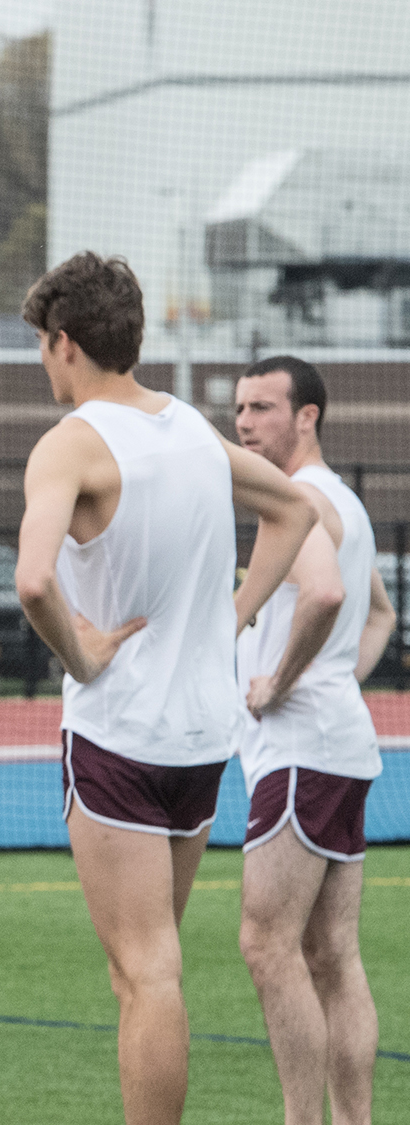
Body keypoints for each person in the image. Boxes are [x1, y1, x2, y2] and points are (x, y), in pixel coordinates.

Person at [14, 252, 315, 1125]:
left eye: (41, 343)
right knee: (154, 966)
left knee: (146, 973)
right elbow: (295, 510)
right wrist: (235, 615)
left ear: (65, 342)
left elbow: (34, 581)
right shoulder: (190, 427)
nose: (43, 359)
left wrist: (82, 653)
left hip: (117, 735)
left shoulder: (70, 442)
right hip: (201, 740)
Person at [231, 356, 391, 1125]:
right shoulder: (347, 505)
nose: (244, 421)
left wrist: (287, 682)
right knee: (333, 955)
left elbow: (329, 594)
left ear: (308, 417)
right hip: (338, 743)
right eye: (239, 408)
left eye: (263, 406)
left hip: (300, 749)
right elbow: (381, 611)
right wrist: (336, 676)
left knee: (268, 945)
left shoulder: (295, 498)